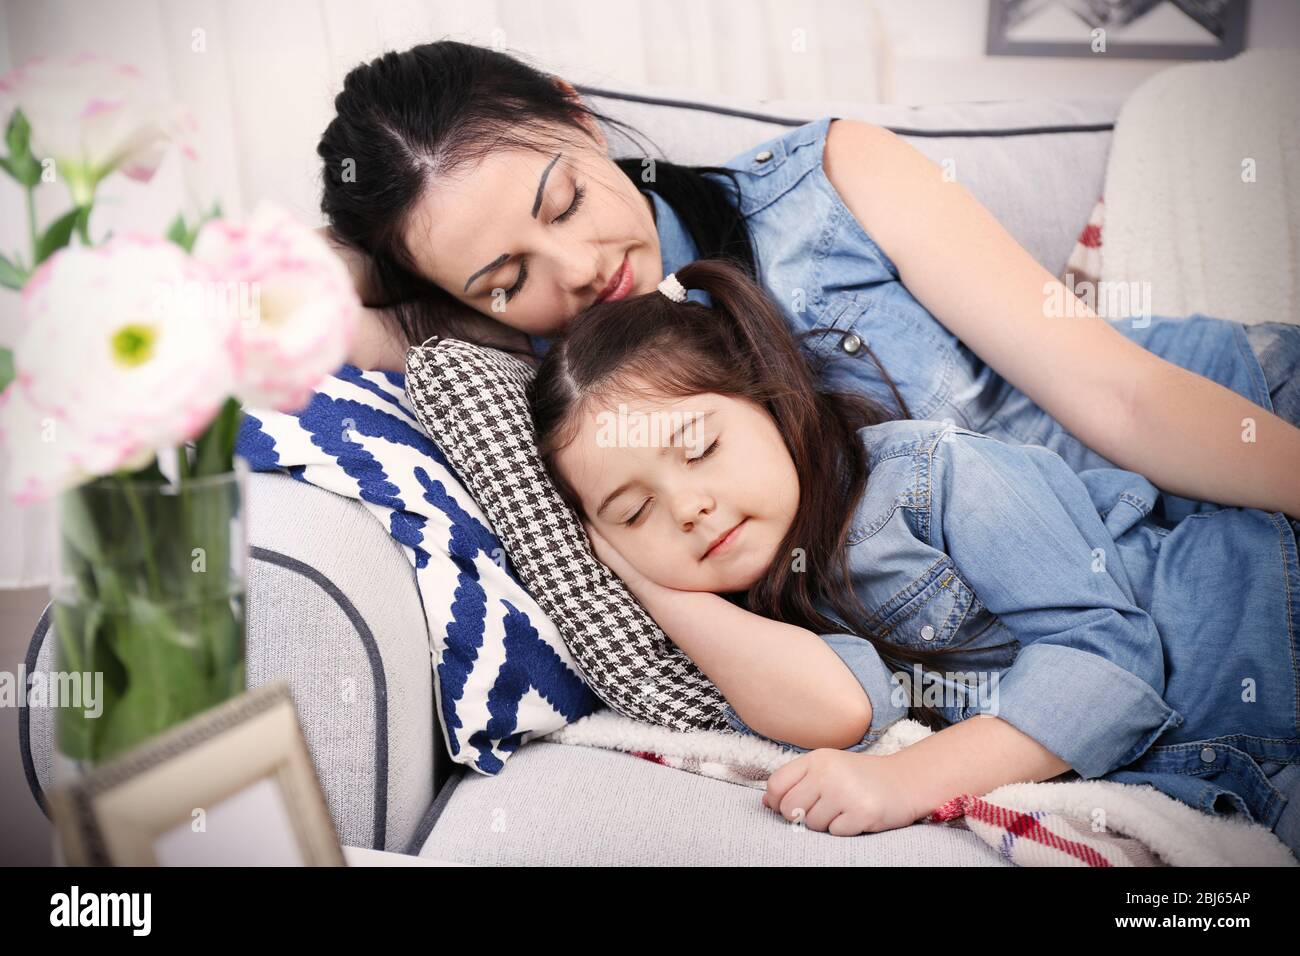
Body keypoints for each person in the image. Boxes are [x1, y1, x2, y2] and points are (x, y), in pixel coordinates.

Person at [317, 39, 1300, 524]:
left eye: (564, 200)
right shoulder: (531, 361)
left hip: (1231, 421)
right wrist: (378, 248)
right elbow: (283, 308)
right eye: (502, 275)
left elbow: (1117, 392)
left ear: (579, 119)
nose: (578, 273)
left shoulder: (832, 177)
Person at [525, 258, 1300, 857]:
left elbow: (1113, 667)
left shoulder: (928, 479)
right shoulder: (742, 616)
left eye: (700, 448)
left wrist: (902, 782)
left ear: (766, 397)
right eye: (634, 510)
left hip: (1264, 625)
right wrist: (646, 577)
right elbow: (840, 711)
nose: (688, 507)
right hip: (1235, 768)